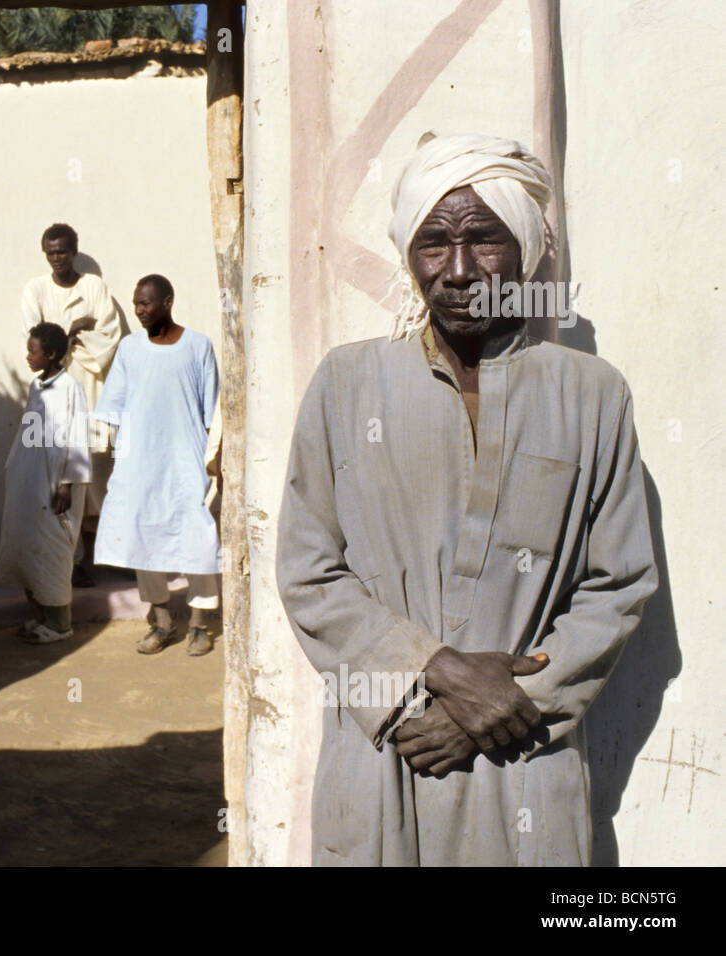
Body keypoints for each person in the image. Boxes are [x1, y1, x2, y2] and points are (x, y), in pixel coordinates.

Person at [276, 132, 658, 865]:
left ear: (523, 247)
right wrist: (437, 670)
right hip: (391, 743)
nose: (457, 271)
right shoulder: (347, 383)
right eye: (433, 244)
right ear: (408, 254)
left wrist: (502, 713)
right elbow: (308, 570)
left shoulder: (591, 394)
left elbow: (618, 584)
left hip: (521, 763)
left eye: (483, 240)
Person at [93, 275, 221, 656]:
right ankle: (162, 619)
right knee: (142, 535)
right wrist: (121, 459)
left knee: (197, 538)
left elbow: (212, 410)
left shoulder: (198, 345)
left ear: (167, 301)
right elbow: (113, 407)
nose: (138, 309)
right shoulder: (130, 348)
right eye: (136, 303)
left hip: (186, 459)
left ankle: (200, 623)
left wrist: (216, 458)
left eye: (146, 303)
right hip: (140, 461)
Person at [21, 223, 124, 586]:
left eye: (62, 251)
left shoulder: (94, 287)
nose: (56, 258)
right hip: (58, 394)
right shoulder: (35, 290)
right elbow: (38, 342)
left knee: (97, 475)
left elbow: (108, 338)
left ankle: (106, 554)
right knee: (60, 475)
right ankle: (72, 558)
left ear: (74, 251)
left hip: (93, 391)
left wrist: (68, 335)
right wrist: (76, 326)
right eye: (50, 252)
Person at [0, 321, 91, 644]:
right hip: (31, 482)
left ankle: (61, 624)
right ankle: (42, 617)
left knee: (54, 549)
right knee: (29, 547)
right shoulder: (38, 387)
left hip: (57, 484)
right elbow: (31, 434)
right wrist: (17, 468)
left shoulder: (71, 388)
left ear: (51, 354)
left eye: (33, 351)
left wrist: (66, 483)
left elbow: (76, 438)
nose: (28, 356)